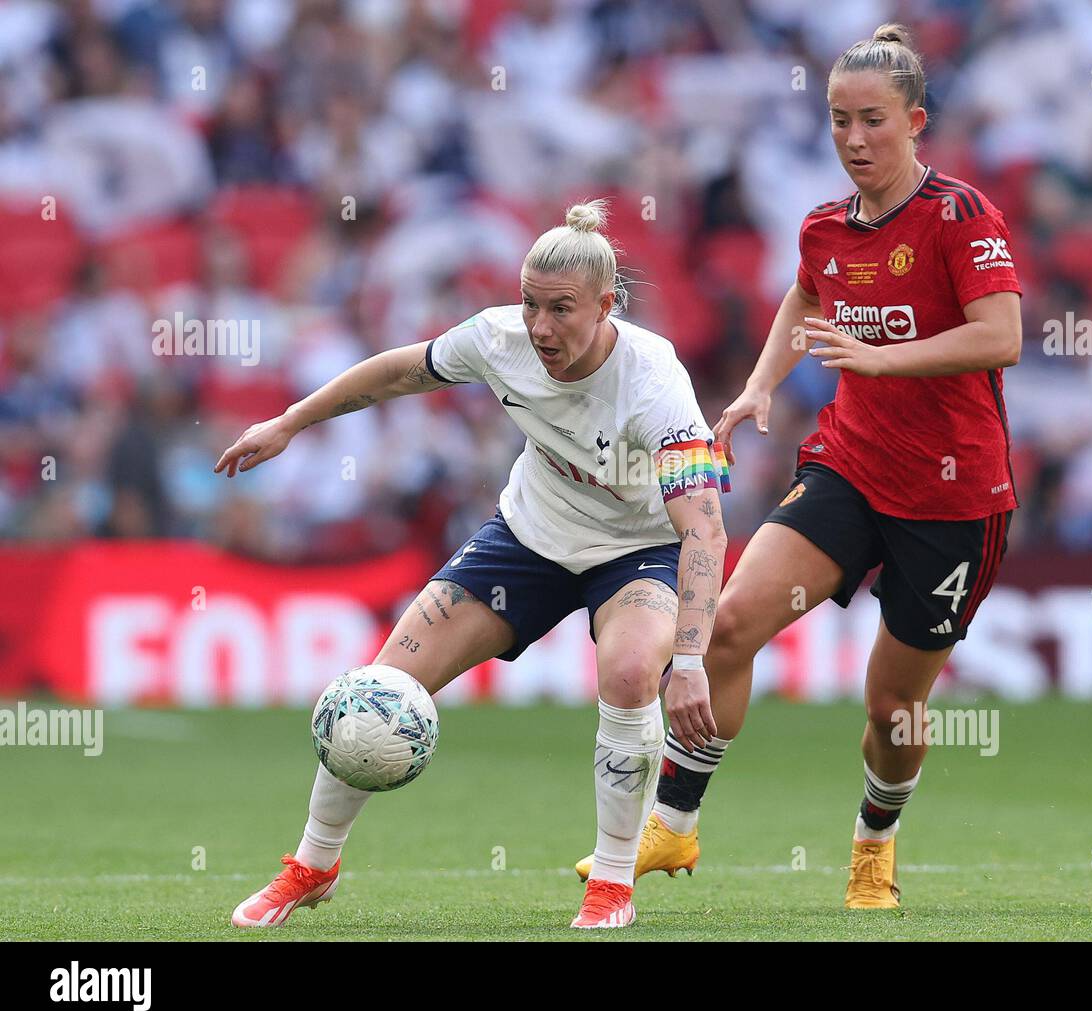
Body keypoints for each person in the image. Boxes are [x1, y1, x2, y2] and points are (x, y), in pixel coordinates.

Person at [576, 24, 1022, 909]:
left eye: (873, 122)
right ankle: (675, 819)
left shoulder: (961, 216)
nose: (854, 140)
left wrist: (882, 357)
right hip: (849, 468)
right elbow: (806, 296)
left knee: (890, 707)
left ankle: (874, 844)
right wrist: (756, 387)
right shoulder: (825, 224)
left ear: (916, 122)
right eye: (839, 121)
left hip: (953, 495)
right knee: (729, 625)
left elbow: (1001, 335)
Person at [217, 200, 730, 929]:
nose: (541, 326)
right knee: (380, 685)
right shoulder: (498, 338)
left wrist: (690, 656)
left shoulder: (656, 382)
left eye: (561, 309)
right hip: (529, 533)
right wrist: (289, 421)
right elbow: (399, 373)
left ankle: (612, 883)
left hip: (637, 548)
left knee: (626, 673)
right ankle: (313, 863)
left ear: (606, 305)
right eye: (530, 303)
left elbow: (705, 529)